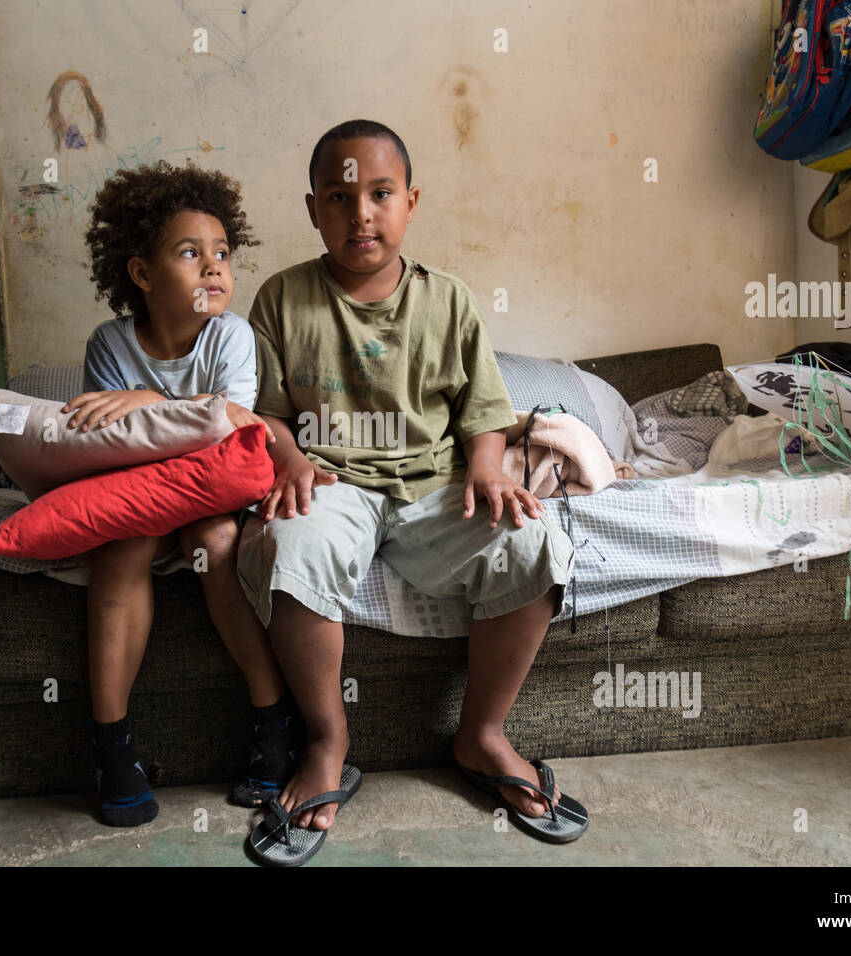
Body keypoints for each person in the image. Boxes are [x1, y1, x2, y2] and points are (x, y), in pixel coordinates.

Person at [238, 120, 587, 861]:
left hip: (433, 487)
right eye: (339, 196)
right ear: (312, 210)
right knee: (284, 545)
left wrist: (488, 468)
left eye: (379, 193)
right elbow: (261, 410)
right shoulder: (281, 298)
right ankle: (328, 743)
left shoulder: (451, 300)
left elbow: (485, 415)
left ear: (410, 201)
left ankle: (482, 735)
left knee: (533, 541)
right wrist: (289, 455)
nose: (360, 212)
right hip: (333, 481)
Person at [62, 160, 302, 826]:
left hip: (211, 491)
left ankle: (273, 725)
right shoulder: (109, 342)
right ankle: (113, 749)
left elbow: (229, 428)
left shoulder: (231, 335)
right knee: (119, 547)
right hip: (140, 490)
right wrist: (166, 413)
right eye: (190, 253)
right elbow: (112, 445)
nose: (214, 268)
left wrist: (148, 403)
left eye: (222, 253)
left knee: (217, 541)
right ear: (141, 273)